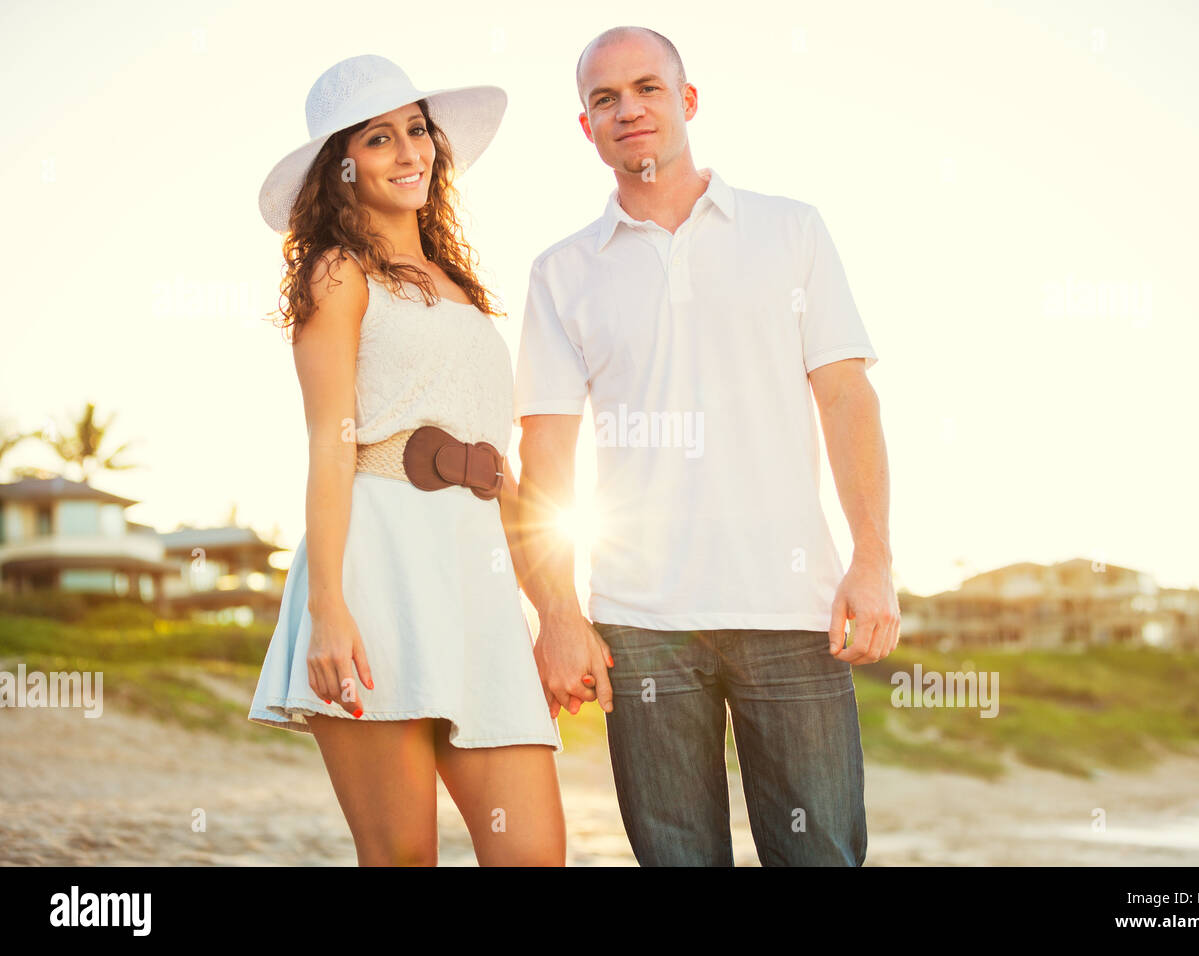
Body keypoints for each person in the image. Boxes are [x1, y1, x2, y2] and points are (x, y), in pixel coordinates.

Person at [514, 27, 898, 866]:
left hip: (793, 612)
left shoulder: (790, 231)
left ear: (687, 102)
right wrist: (556, 613)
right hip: (640, 624)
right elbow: (543, 458)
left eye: (647, 87)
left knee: (821, 856)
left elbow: (846, 397)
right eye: (604, 98)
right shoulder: (562, 273)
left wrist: (872, 560)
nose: (629, 109)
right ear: (587, 127)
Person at [247, 54, 564, 866]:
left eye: (417, 130)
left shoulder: (459, 284)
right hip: (377, 568)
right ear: (341, 169)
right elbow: (330, 443)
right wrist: (328, 607)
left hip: (478, 581)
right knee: (401, 859)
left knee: (532, 854)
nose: (409, 151)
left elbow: (499, 470)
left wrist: (556, 611)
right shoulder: (337, 273)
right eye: (380, 138)